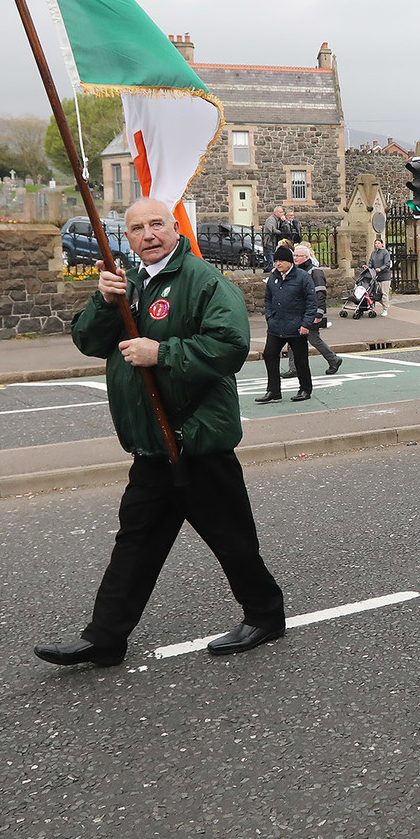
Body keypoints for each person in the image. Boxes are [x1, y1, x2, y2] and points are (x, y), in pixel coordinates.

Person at [36, 196, 287, 666]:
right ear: (125, 238)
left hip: (197, 438)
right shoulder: (128, 283)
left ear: (176, 229)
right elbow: (89, 341)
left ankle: (266, 614)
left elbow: (230, 346)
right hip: (153, 443)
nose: (148, 235)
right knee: (136, 542)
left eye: (157, 225)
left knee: (230, 538)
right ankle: (106, 636)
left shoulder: (204, 281)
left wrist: (162, 354)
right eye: (136, 228)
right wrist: (106, 302)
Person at [258, 242, 315, 404]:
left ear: (290, 261)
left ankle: (305, 389)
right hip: (276, 325)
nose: (278, 264)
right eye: (276, 261)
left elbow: (311, 302)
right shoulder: (273, 277)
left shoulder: (303, 277)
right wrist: (269, 316)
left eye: (281, 261)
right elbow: (268, 299)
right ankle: (273, 391)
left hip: (297, 326)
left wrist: (306, 324)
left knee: (300, 359)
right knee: (269, 354)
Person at [282, 243, 342, 378]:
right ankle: (295, 367)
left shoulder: (315, 271)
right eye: (294, 255)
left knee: (313, 339)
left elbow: (320, 293)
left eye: (298, 256)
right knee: (294, 339)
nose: (295, 258)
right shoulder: (297, 271)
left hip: (311, 313)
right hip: (301, 312)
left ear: (306, 257)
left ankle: (333, 359)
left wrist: (318, 313)